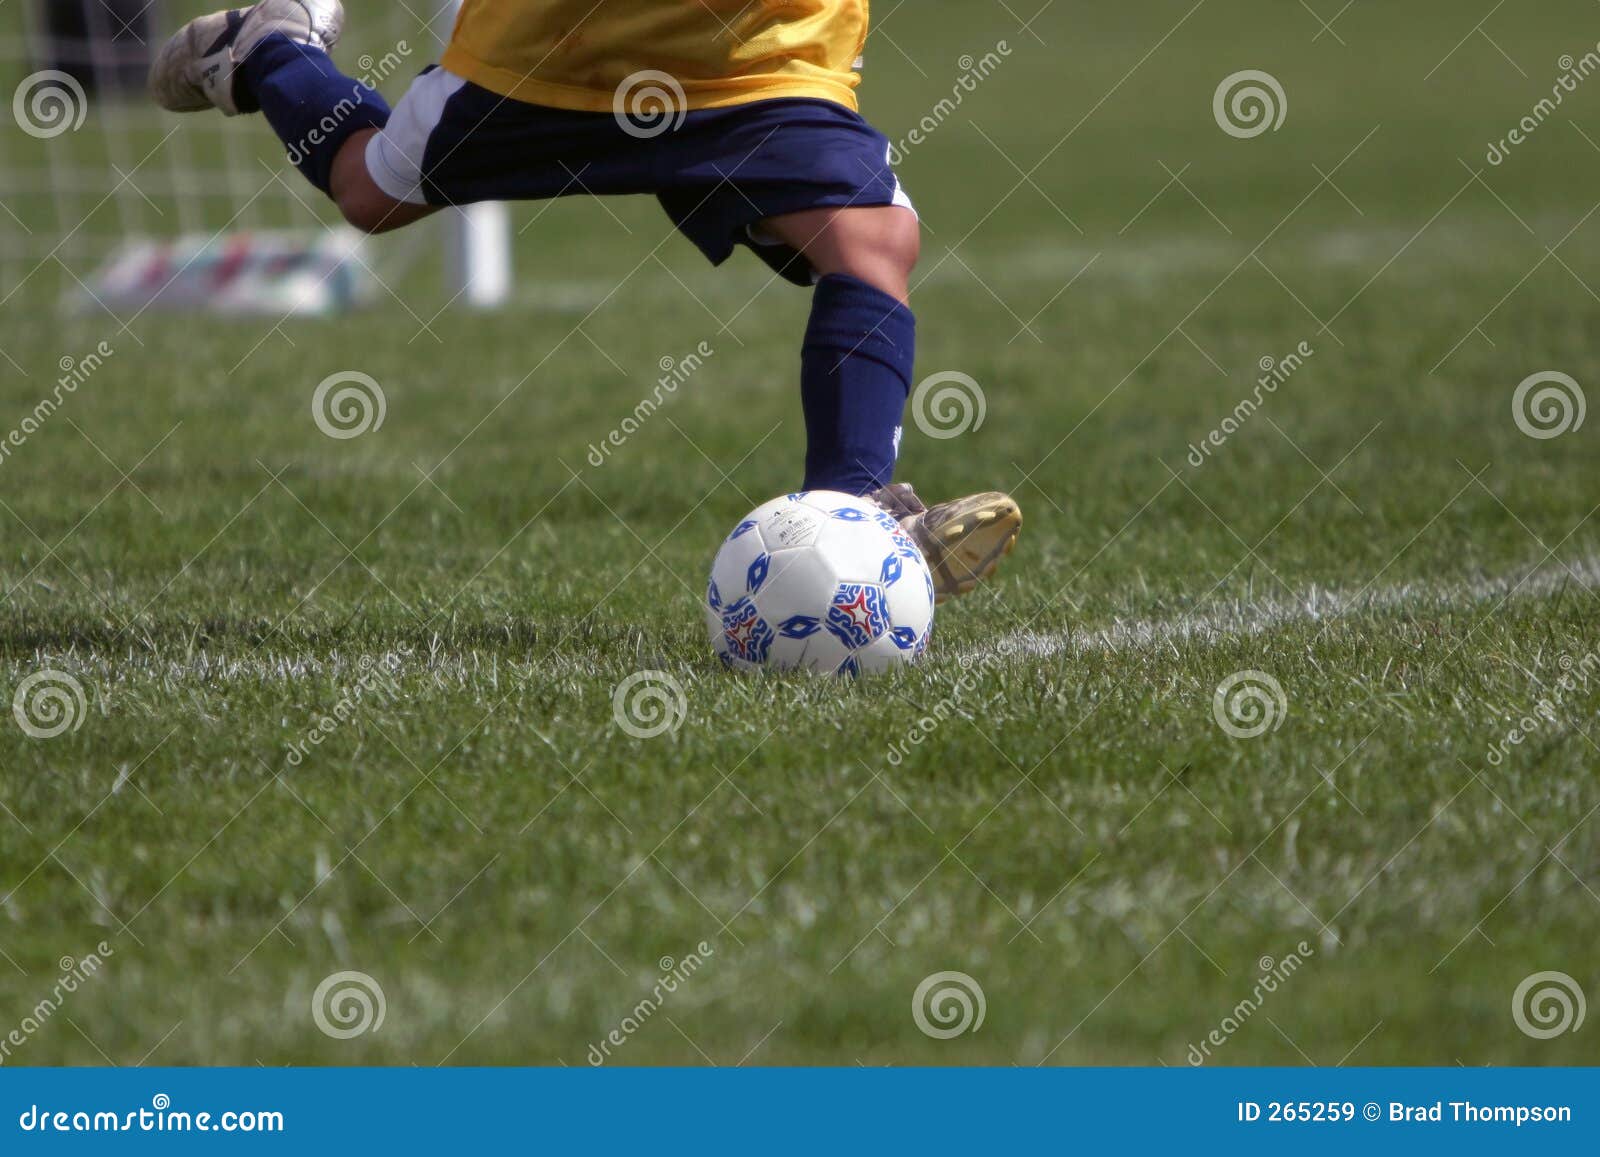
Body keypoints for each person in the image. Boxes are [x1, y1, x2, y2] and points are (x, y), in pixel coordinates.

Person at [150, 0, 1021, 600]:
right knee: (370, 191)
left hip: (757, 53)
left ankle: (853, 519)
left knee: (872, 239)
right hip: (565, 44)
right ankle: (272, 46)